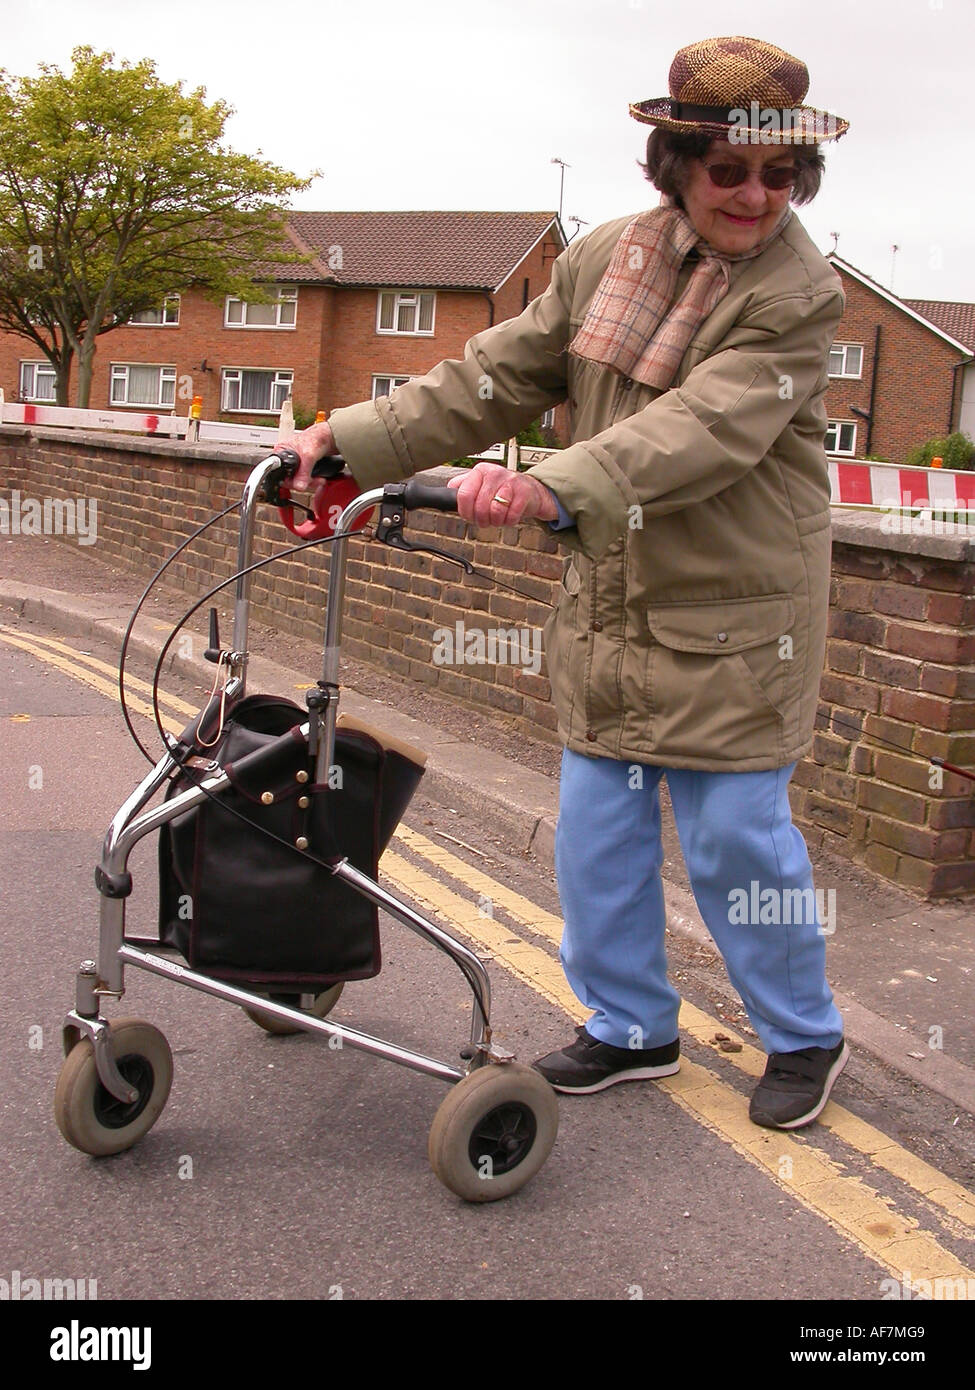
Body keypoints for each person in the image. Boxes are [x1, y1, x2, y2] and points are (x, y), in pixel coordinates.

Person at [281, 35, 852, 1130]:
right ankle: (632, 1026)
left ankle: (803, 1032)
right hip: (614, 597)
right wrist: (345, 440)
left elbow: (703, 432)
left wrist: (553, 488)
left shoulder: (799, 294)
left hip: (737, 615)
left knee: (739, 842)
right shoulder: (605, 260)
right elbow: (496, 374)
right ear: (677, 162)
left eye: (779, 175)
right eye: (728, 168)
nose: (753, 194)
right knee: (599, 832)